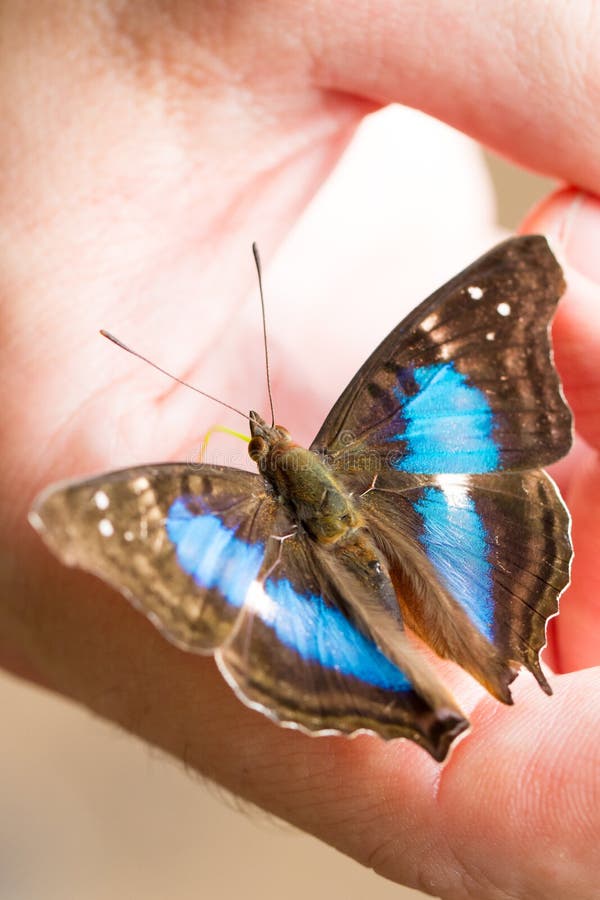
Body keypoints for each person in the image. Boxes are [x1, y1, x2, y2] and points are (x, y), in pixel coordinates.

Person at [2, 4, 598, 897]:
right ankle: (456, 661)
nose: (262, 438)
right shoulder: (355, 428)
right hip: (426, 525)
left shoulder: (201, 496)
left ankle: (458, 660)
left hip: (338, 561)